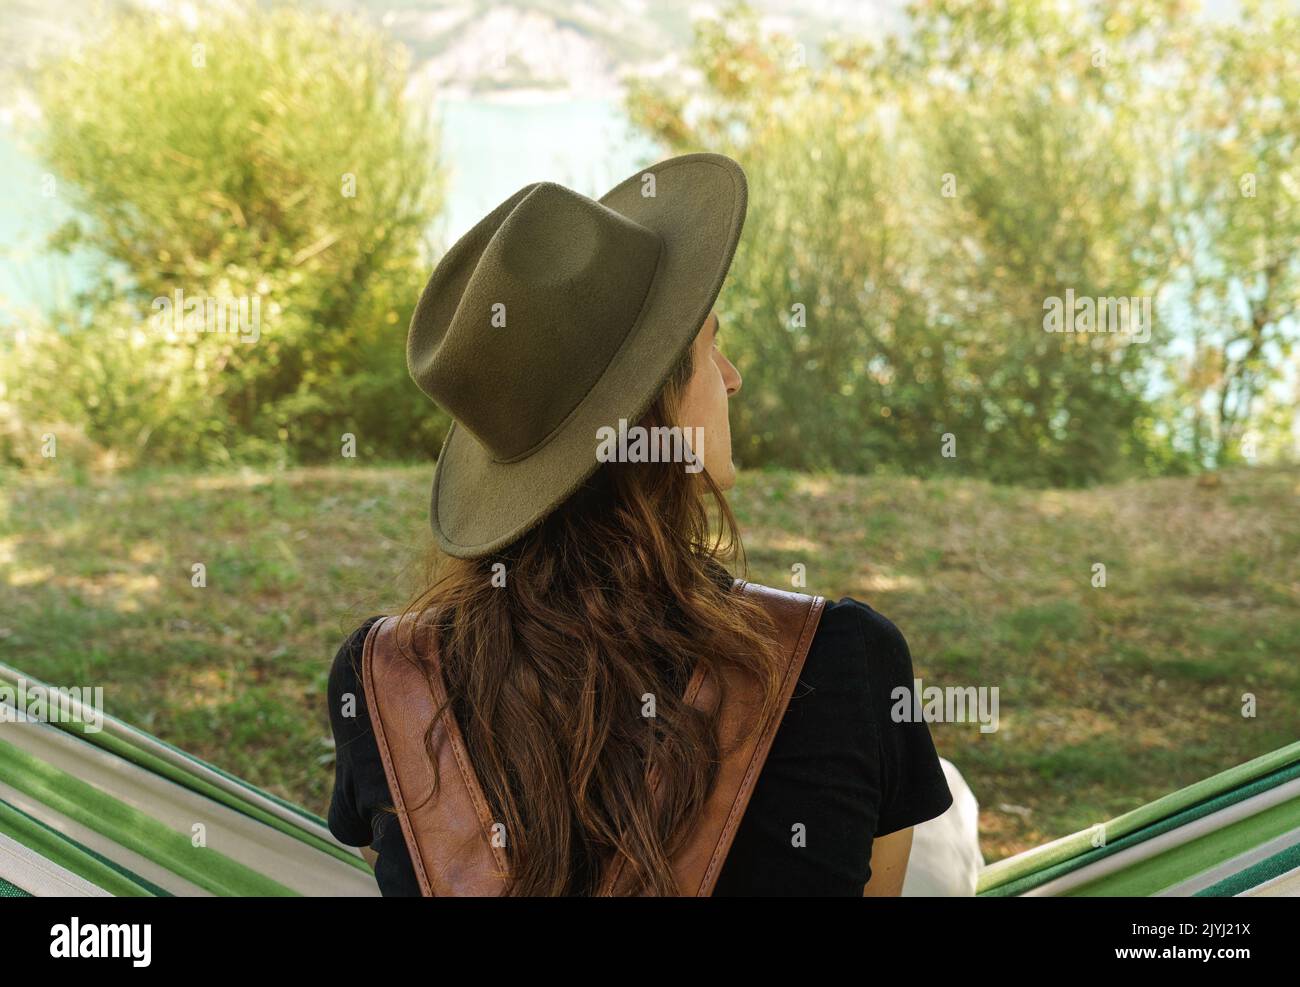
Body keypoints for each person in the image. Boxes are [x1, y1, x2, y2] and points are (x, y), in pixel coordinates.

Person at [326, 152, 956, 896]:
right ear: (653, 411)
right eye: (708, 346)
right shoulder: (845, 663)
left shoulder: (388, 683)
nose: (731, 377)